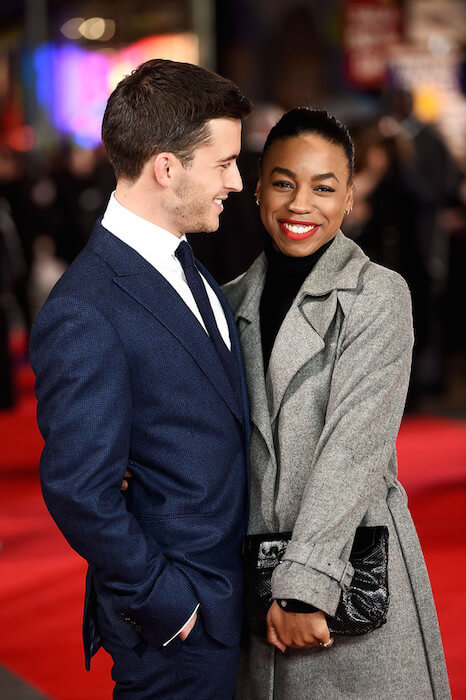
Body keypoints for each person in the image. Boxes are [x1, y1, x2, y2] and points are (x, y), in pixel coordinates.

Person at [30, 59, 252, 699]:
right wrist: (168, 603)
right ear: (166, 167)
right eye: (224, 163)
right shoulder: (85, 307)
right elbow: (78, 489)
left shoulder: (185, 262)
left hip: (227, 605)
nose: (236, 182)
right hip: (175, 629)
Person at [223, 108, 450, 699]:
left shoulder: (378, 295)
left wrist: (303, 586)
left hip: (343, 586)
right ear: (257, 186)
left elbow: (355, 448)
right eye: (283, 182)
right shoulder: (225, 303)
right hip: (250, 596)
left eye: (325, 188)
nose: (302, 204)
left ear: (350, 197)